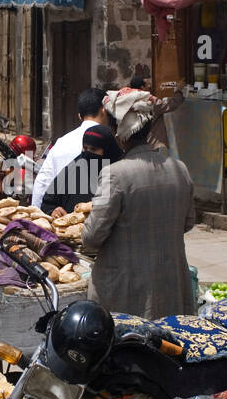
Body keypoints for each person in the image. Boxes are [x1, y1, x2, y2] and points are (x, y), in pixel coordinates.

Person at [81, 89, 196, 318]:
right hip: (170, 287)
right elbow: (188, 222)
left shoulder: (114, 175)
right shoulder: (179, 168)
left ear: (117, 132)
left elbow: (91, 238)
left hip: (124, 293)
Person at [30, 88, 110, 211]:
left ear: (80, 116)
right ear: (104, 110)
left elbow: (42, 184)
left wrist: (40, 219)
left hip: (62, 219)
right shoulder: (111, 143)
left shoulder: (62, 143)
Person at [40, 123, 120, 217]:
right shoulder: (72, 169)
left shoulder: (118, 173)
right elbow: (48, 203)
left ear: (108, 150)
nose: (88, 153)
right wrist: (53, 211)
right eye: (85, 148)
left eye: (94, 149)